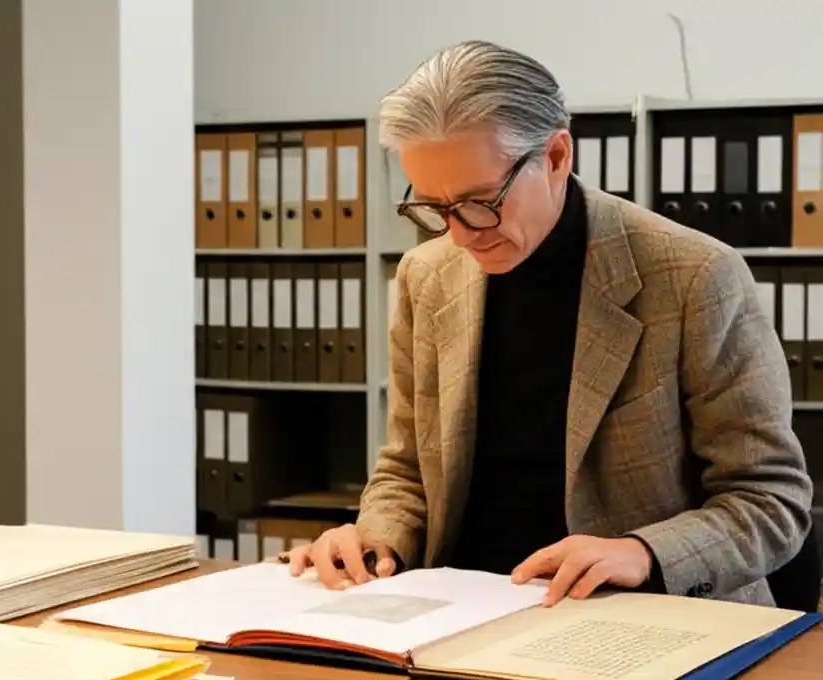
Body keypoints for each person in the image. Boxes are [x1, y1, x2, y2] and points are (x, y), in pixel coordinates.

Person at [287, 40, 814, 608]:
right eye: (436, 208)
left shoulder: (694, 277)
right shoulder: (426, 275)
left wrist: (642, 552)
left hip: (638, 618)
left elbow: (769, 500)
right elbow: (408, 469)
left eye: (480, 201)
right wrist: (375, 542)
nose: (461, 233)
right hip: (458, 612)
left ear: (557, 156)